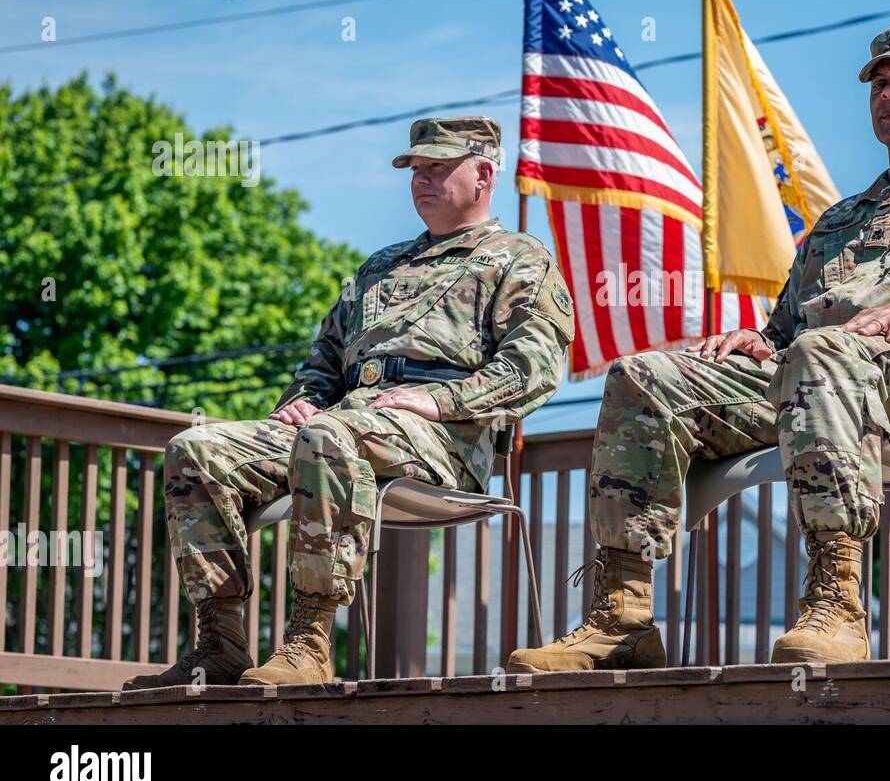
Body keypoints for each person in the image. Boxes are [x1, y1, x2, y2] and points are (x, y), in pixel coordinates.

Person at [508, 25, 890, 671]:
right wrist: (757, 340)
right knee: (645, 374)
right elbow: (785, 333)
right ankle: (624, 616)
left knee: (823, 353)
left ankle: (839, 603)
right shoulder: (842, 219)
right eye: (882, 84)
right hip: (818, 382)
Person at [124, 116, 574, 689]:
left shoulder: (520, 260)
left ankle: (309, 641)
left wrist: (436, 401)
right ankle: (220, 643)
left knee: (329, 437)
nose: (421, 179)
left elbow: (534, 371)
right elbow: (322, 363)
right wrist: (303, 402)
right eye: (416, 169)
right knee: (196, 449)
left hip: (443, 442)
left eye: (437, 167)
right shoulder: (379, 268)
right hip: (344, 426)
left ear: (484, 173)